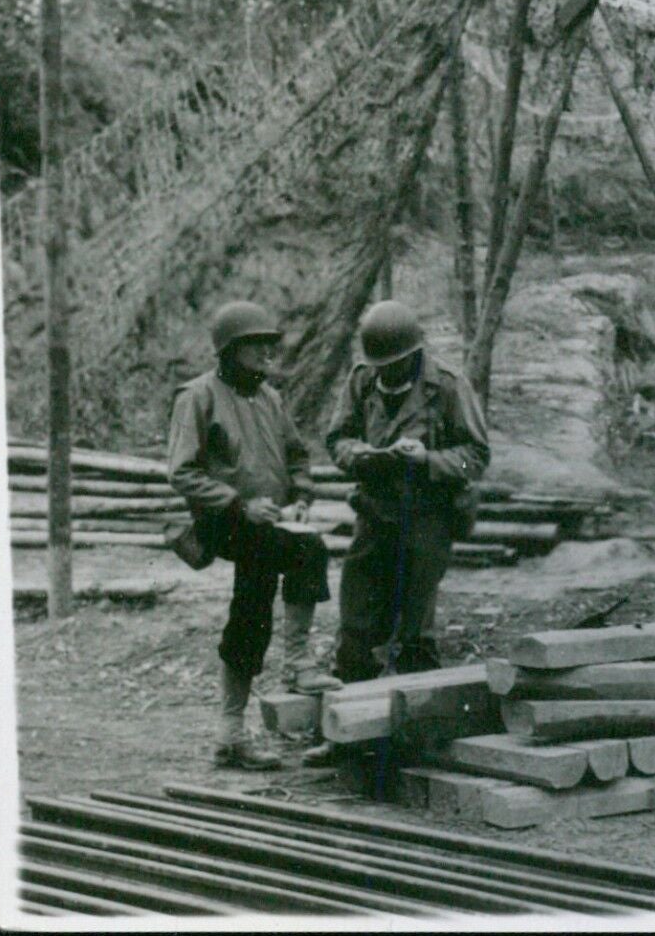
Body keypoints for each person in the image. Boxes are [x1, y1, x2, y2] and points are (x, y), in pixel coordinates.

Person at [168, 300, 339, 772]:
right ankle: (243, 720)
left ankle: (275, 687)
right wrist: (240, 503)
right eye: (256, 345)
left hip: (271, 522)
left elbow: (297, 455)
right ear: (230, 350)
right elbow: (182, 472)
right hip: (225, 521)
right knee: (269, 587)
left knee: (288, 569)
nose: (268, 352)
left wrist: (301, 495)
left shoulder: (271, 399)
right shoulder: (197, 397)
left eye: (270, 343)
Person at [325, 299, 490, 684]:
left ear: (414, 354)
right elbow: (337, 438)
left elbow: (477, 457)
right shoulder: (361, 380)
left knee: (415, 636)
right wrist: (358, 454)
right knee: (355, 630)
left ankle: (416, 736)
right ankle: (349, 734)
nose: (385, 371)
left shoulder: (448, 386)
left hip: (427, 520)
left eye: (393, 364)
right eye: (379, 365)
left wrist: (428, 460)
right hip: (373, 514)